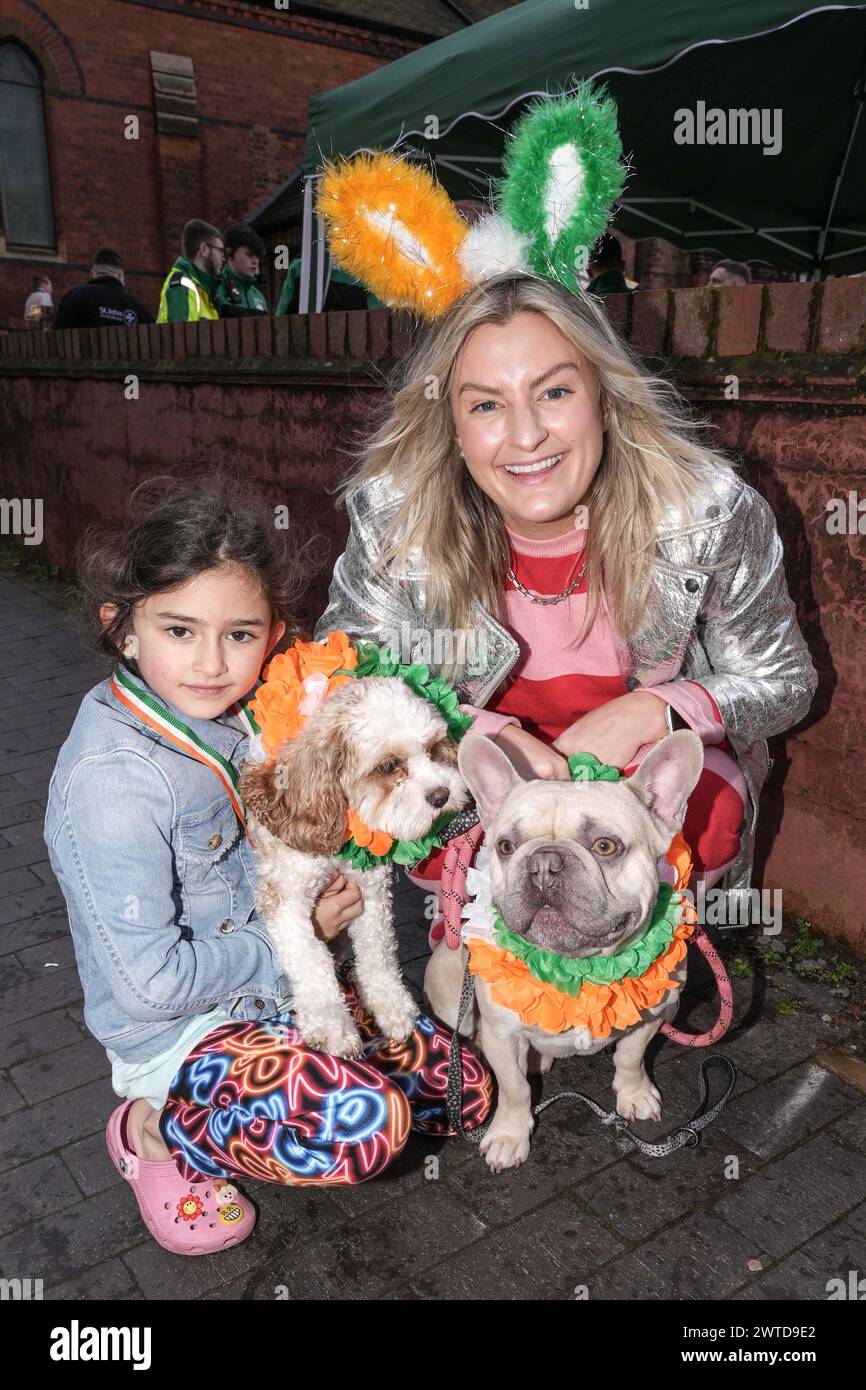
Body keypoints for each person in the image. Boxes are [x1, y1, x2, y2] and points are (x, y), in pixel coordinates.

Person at [43, 467, 491, 1257]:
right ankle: (155, 1130)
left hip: (276, 986)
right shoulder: (113, 786)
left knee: (467, 1089)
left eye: (240, 634)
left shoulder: (243, 713)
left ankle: (286, 1062)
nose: (213, 663)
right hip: (178, 1031)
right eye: (179, 630)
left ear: (274, 635)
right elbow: (151, 985)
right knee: (363, 1129)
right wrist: (305, 932)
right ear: (123, 629)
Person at [313, 272, 818, 946]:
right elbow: (339, 680)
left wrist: (654, 710)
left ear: (604, 399)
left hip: (637, 785)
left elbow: (783, 683)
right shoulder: (395, 518)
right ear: (451, 425)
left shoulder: (708, 513)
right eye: (486, 406)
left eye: (554, 392)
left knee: (711, 806)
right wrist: (478, 732)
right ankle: (472, 950)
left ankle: (645, 954)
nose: (526, 436)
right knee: (425, 822)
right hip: (478, 781)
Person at [53, 249, 154, 331]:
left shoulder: (74, 297)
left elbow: (58, 336)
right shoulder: (138, 309)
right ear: (120, 276)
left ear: (93, 273)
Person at [156, 220, 224, 323]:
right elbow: (181, 336)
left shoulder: (202, 288)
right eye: (220, 251)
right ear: (204, 249)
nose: (223, 258)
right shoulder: (183, 287)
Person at [216, 223, 269, 317]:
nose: (255, 261)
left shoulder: (259, 297)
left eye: (257, 256)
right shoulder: (215, 290)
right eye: (249, 254)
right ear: (230, 253)